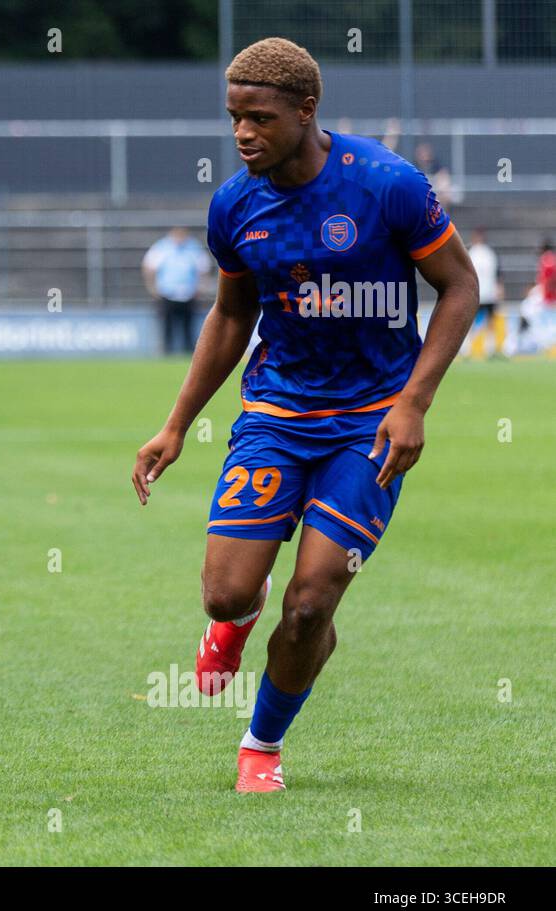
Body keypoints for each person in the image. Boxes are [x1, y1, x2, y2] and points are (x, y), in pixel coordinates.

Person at [131, 38, 477, 794]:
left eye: (258, 117)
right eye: (233, 119)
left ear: (306, 110)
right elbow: (229, 315)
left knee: (313, 599)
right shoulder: (235, 204)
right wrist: (177, 422)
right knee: (226, 592)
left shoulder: (388, 185)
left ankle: (261, 745)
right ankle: (232, 622)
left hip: (370, 425)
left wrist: (414, 402)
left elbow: (460, 287)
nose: (242, 134)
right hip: (276, 415)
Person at [141, 225, 210, 354]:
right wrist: (153, 288)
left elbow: (203, 269)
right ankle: (167, 352)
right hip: (167, 293)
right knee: (167, 327)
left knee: (188, 327)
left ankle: (189, 353)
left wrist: (201, 288)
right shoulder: (161, 247)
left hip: (189, 294)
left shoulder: (193, 248)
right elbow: (149, 268)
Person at [465, 229, 505, 359]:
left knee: (473, 321)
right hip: (487, 292)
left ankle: (468, 349)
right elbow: (498, 273)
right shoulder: (489, 253)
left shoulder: (471, 253)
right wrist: (499, 289)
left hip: (478, 292)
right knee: (488, 322)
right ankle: (488, 348)